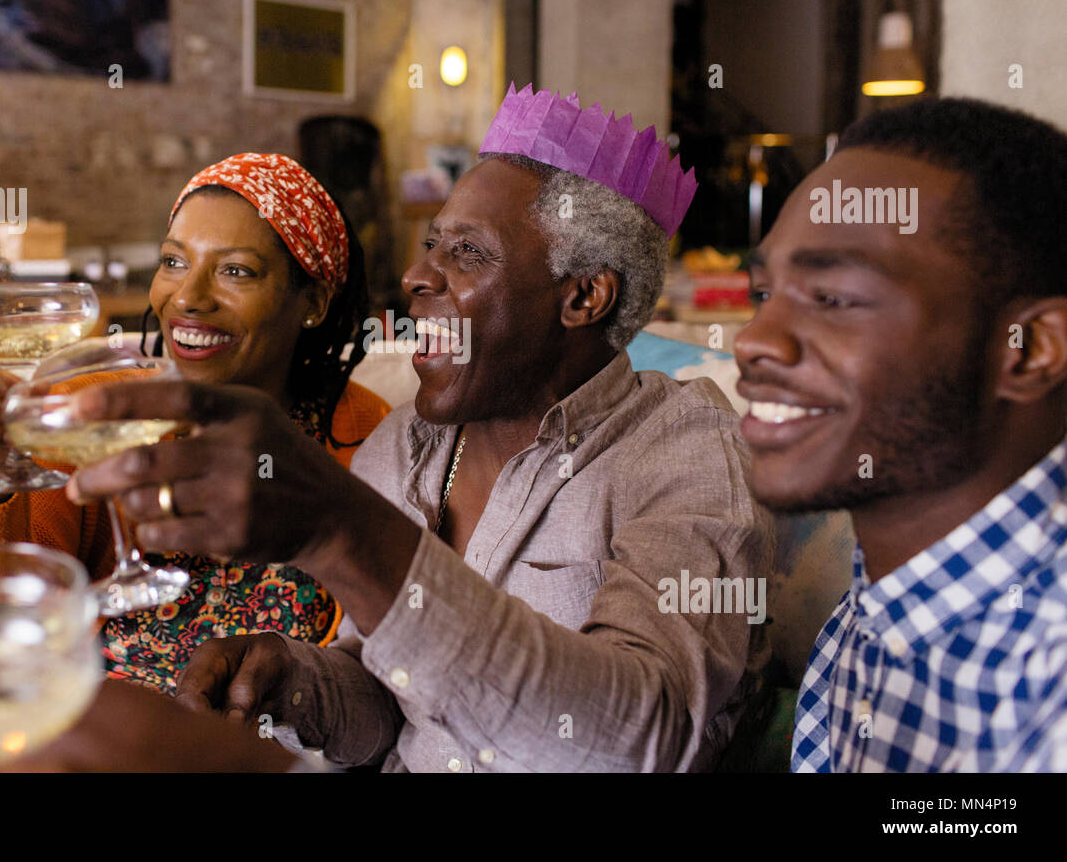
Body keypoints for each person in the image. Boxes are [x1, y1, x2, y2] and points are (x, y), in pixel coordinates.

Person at [42, 86, 775, 772]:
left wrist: (349, 534)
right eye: (431, 246)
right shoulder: (405, 444)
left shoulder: (680, 446)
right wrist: (291, 680)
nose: (418, 277)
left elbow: (644, 738)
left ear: (582, 296)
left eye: (467, 253)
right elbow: (386, 708)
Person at [0, 153, 390, 692]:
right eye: (173, 262)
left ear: (312, 302)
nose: (187, 299)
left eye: (236, 270)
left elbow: (390, 653)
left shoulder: (371, 435)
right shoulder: (88, 414)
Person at [733, 97, 1067, 772]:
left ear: (1028, 350)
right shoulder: (877, 607)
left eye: (834, 299)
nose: (752, 342)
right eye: (766, 293)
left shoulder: (1049, 682)